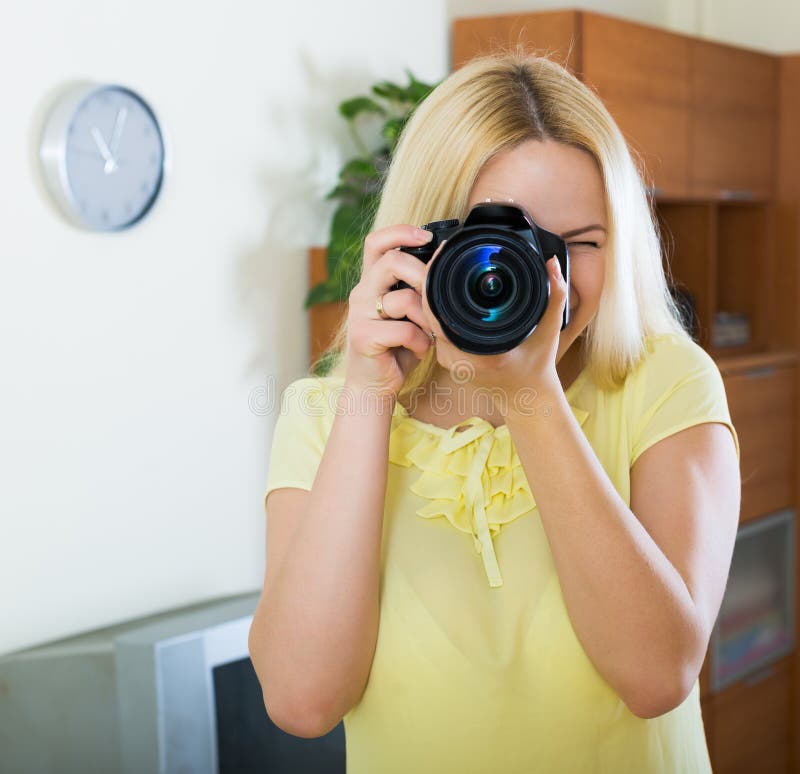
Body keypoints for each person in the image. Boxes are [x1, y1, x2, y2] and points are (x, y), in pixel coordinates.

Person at [248, 51, 741, 773]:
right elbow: (302, 700)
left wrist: (529, 394)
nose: (545, 280)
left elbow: (656, 676)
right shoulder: (327, 412)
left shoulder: (665, 383)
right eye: (503, 248)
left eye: (581, 245)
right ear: (422, 244)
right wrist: (367, 401)